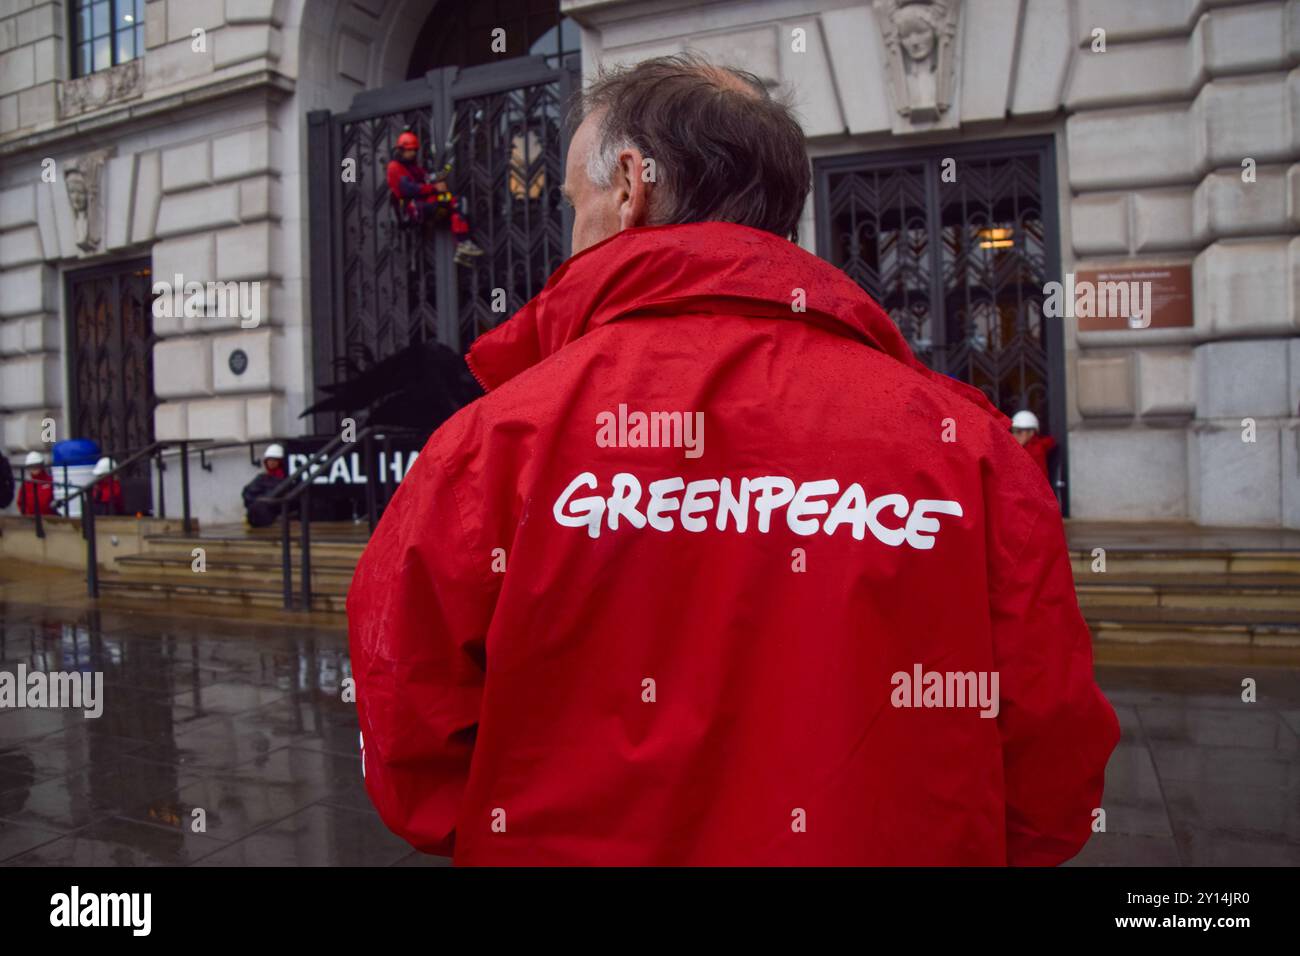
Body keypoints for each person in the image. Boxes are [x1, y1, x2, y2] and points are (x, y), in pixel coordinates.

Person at [348, 54, 1118, 866]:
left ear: (630, 185)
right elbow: (1052, 784)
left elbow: (412, 748)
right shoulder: (970, 450)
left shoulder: (492, 446)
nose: (570, 233)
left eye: (574, 203)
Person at [386, 131, 485, 267]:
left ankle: (463, 245)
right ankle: (462, 244)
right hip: (413, 208)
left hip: (424, 204)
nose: (413, 153)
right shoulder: (395, 167)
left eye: (415, 150)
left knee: (457, 203)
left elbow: (427, 177)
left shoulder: (412, 167)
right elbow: (409, 189)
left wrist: (441, 173)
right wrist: (434, 188)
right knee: (449, 202)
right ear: (401, 150)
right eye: (410, 150)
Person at [242, 443, 287, 528]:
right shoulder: (262, 477)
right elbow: (247, 492)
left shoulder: (285, 478)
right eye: (269, 460)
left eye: (274, 460)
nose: (271, 463)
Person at [1010, 409, 1056, 479]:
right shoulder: (1022, 449)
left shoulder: (1035, 451)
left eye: (1019, 431)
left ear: (1031, 433)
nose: (1015, 435)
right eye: (1013, 431)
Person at [17, 451, 55, 516]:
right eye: (31, 466)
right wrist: (27, 515)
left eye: (36, 465)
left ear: (41, 465)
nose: (34, 468)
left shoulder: (51, 481)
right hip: (31, 521)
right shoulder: (26, 484)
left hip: (51, 520)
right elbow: (20, 503)